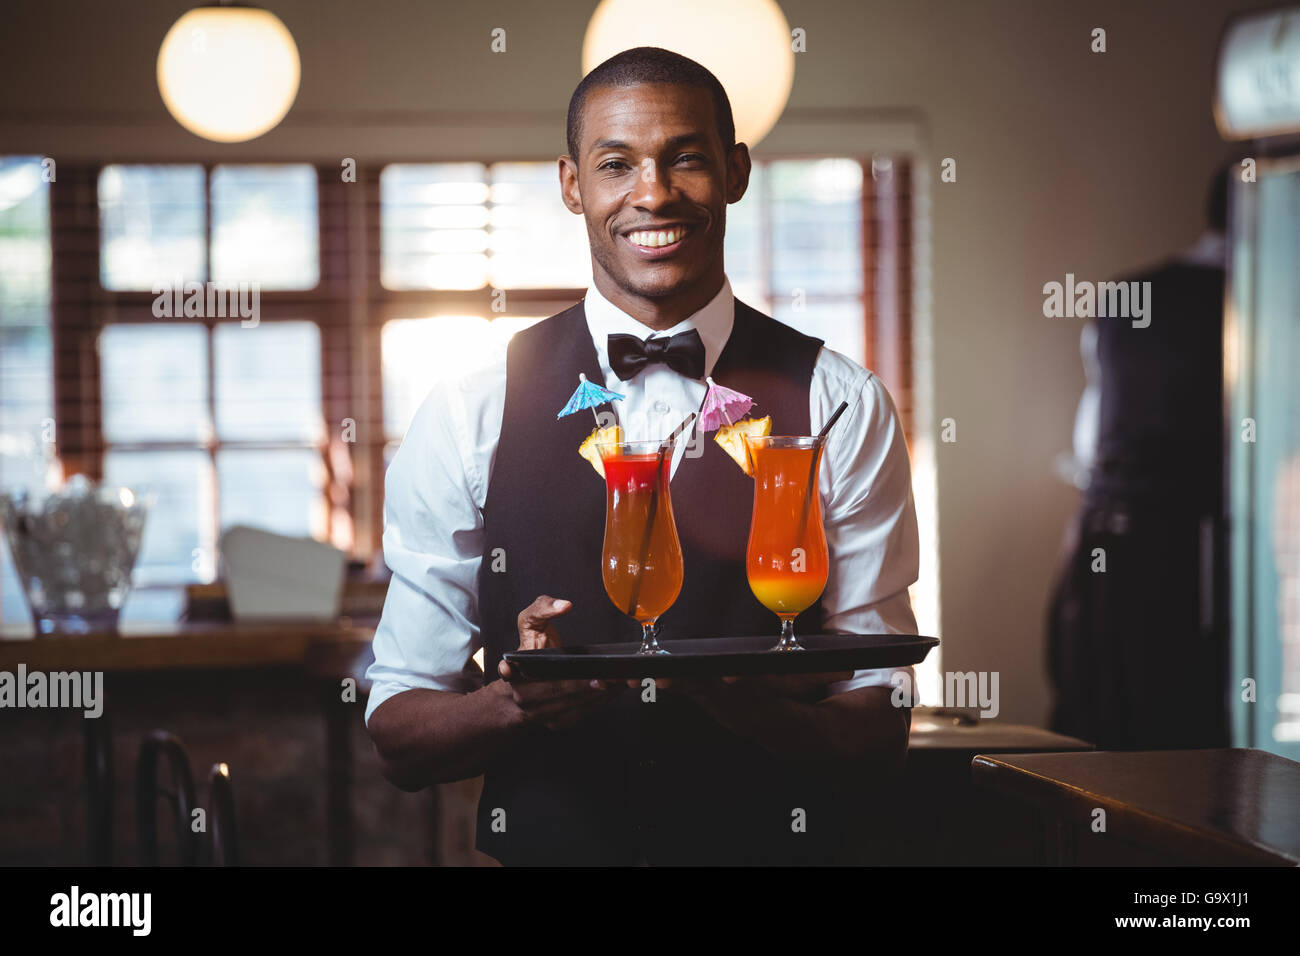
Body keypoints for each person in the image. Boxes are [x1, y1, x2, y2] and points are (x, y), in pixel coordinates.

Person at [365, 46, 921, 865]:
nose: (653, 193)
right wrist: (518, 703)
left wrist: (746, 704)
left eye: (686, 158)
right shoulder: (467, 409)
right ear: (571, 185)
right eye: (615, 164)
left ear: (736, 171)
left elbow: (884, 714)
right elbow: (400, 733)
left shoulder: (841, 402)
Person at [1047, 163, 1232, 750]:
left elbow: (1088, 443)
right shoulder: (1260, 304)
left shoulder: (1124, 300)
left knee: (1116, 745)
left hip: (1105, 548)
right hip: (1199, 565)